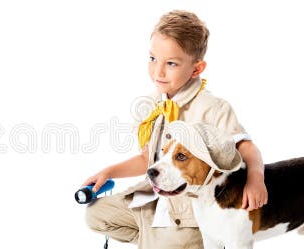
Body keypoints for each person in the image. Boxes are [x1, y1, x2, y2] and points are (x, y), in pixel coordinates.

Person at [82, 10, 268, 249]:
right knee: (96, 214)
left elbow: (247, 148)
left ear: (196, 69)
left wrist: (255, 180)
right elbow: (148, 158)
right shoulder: (156, 103)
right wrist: (108, 172)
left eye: (170, 63)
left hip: (190, 212)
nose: (158, 72)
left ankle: (177, 240)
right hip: (158, 198)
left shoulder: (212, 108)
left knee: (172, 236)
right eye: (152, 59)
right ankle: (158, 237)